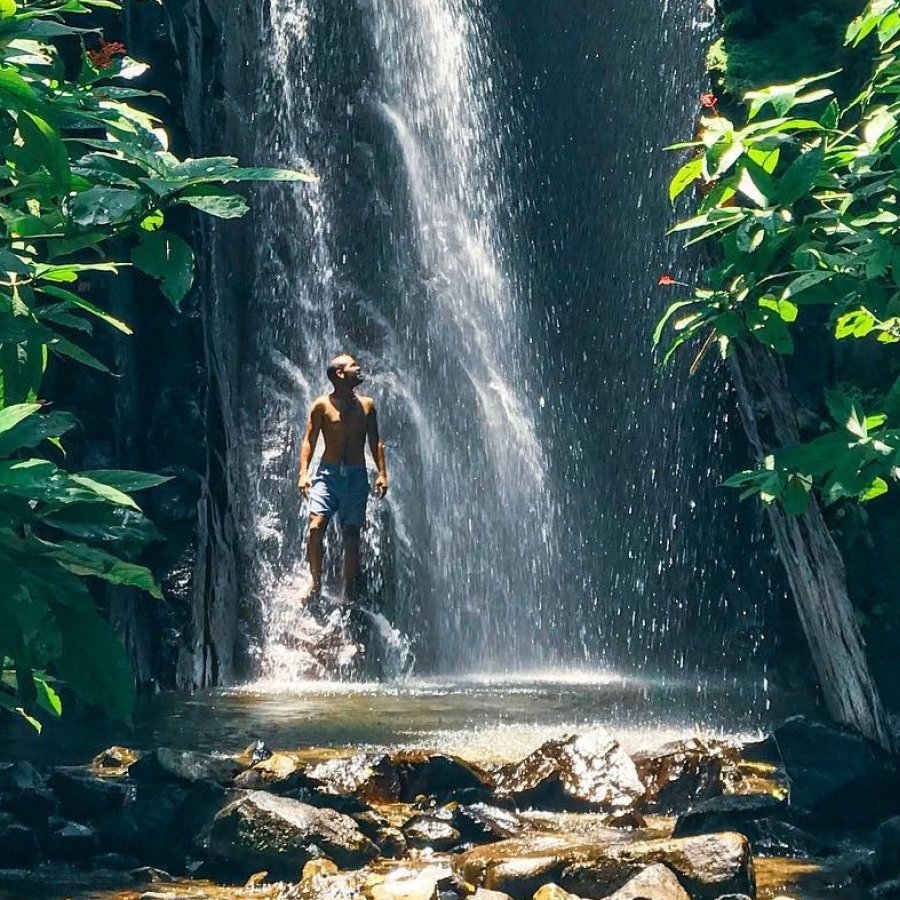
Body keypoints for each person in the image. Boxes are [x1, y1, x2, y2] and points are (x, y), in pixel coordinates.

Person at [297, 353, 388, 602]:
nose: (358, 368)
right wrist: (303, 473)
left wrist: (382, 473)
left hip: (356, 476)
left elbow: (375, 441)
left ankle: (348, 592)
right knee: (315, 527)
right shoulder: (321, 405)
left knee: (351, 534)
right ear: (339, 374)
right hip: (327, 474)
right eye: (352, 366)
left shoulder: (367, 405)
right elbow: (310, 440)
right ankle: (315, 584)